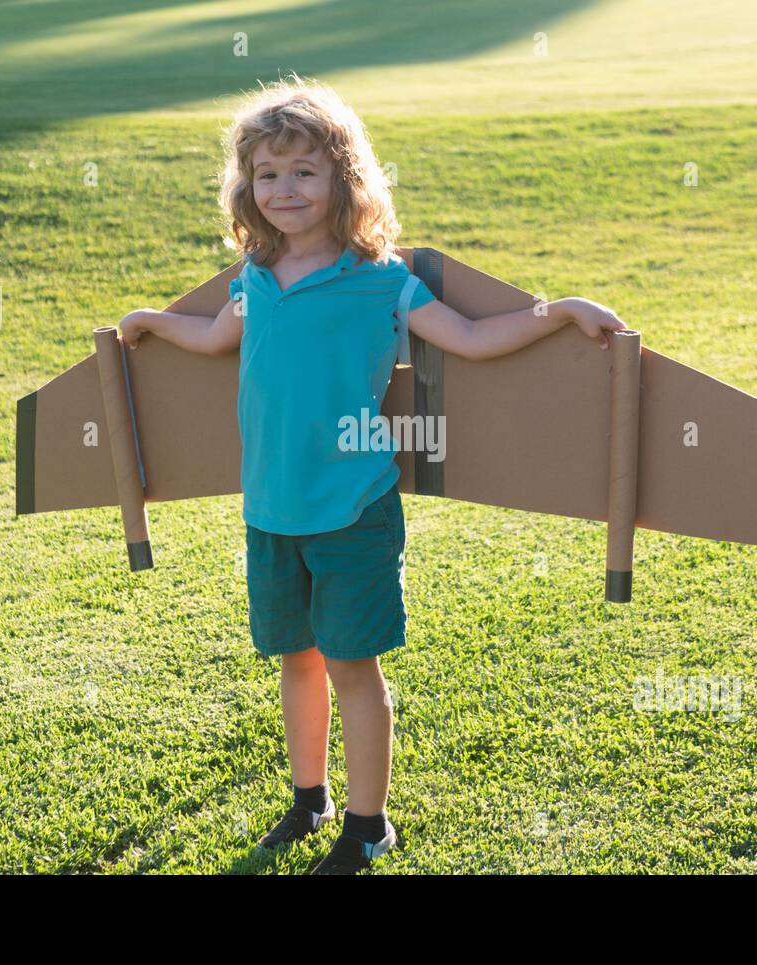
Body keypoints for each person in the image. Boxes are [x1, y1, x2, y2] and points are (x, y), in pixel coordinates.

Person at [117, 74, 626, 874]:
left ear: (343, 178)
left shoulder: (382, 279)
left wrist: (557, 310)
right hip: (271, 509)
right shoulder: (254, 276)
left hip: (352, 509)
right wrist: (152, 322)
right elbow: (216, 338)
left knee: (353, 664)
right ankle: (309, 797)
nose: (284, 188)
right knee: (297, 658)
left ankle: (368, 823)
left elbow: (468, 337)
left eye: (304, 170)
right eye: (267, 174)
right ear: (247, 187)